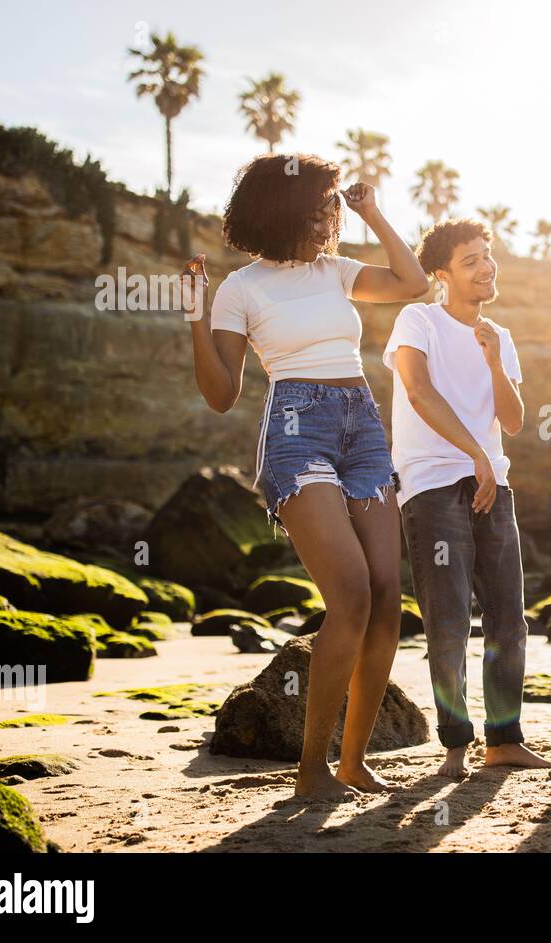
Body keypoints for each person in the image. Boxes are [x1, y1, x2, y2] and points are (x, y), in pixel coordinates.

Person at [181, 153, 428, 800]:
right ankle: (310, 768)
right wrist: (194, 317)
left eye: (334, 201)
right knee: (348, 593)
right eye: (322, 202)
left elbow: (414, 282)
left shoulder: (336, 270)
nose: (332, 211)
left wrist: (373, 211)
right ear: (284, 207)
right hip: (296, 431)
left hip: (363, 426)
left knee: (384, 601)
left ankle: (352, 761)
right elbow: (220, 394)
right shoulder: (241, 288)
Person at [384, 217, 551, 779]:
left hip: (493, 487)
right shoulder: (419, 320)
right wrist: (476, 456)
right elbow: (418, 390)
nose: (487, 267)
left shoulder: (499, 337)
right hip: (434, 485)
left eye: (488, 256)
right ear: (441, 273)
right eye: (471, 261)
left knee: (508, 619)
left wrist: (490, 361)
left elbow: (513, 419)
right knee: (450, 619)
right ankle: (456, 745)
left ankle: (503, 740)